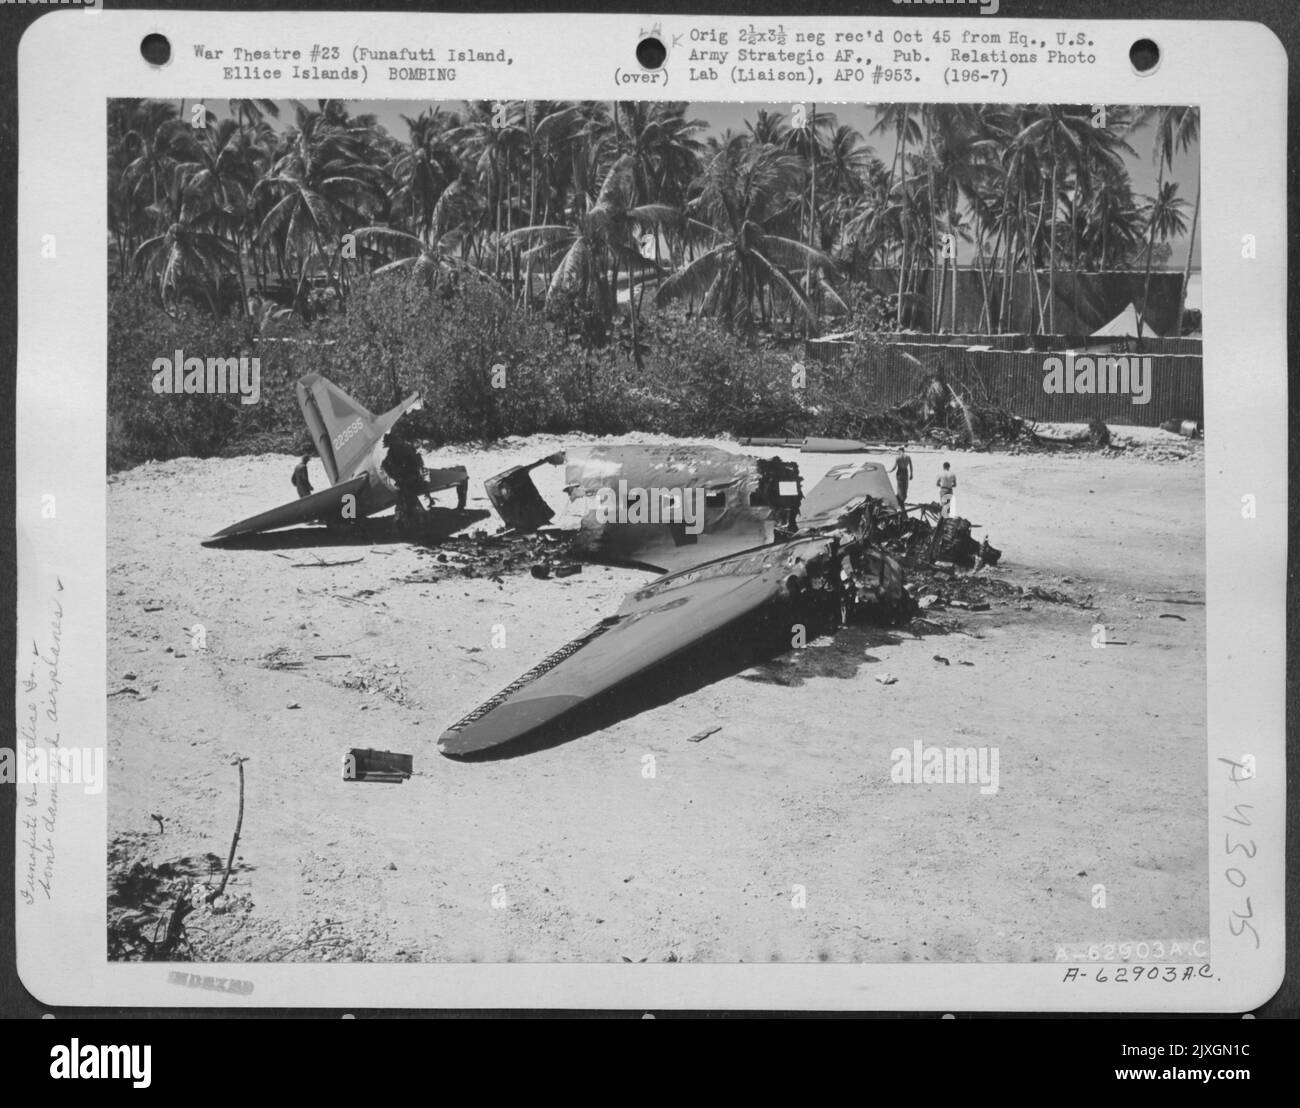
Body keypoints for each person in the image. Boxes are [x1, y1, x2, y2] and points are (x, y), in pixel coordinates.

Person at [888, 443, 913, 507]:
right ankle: (903, 499)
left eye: (898, 451)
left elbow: (894, 467)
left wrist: (890, 471)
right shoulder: (908, 457)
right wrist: (911, 474)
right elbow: (911, 466)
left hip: (900, 472)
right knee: (905, 486)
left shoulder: (898, 457)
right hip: (905, 472)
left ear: (899, 451)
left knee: (899, 486)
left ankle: (900, 500)